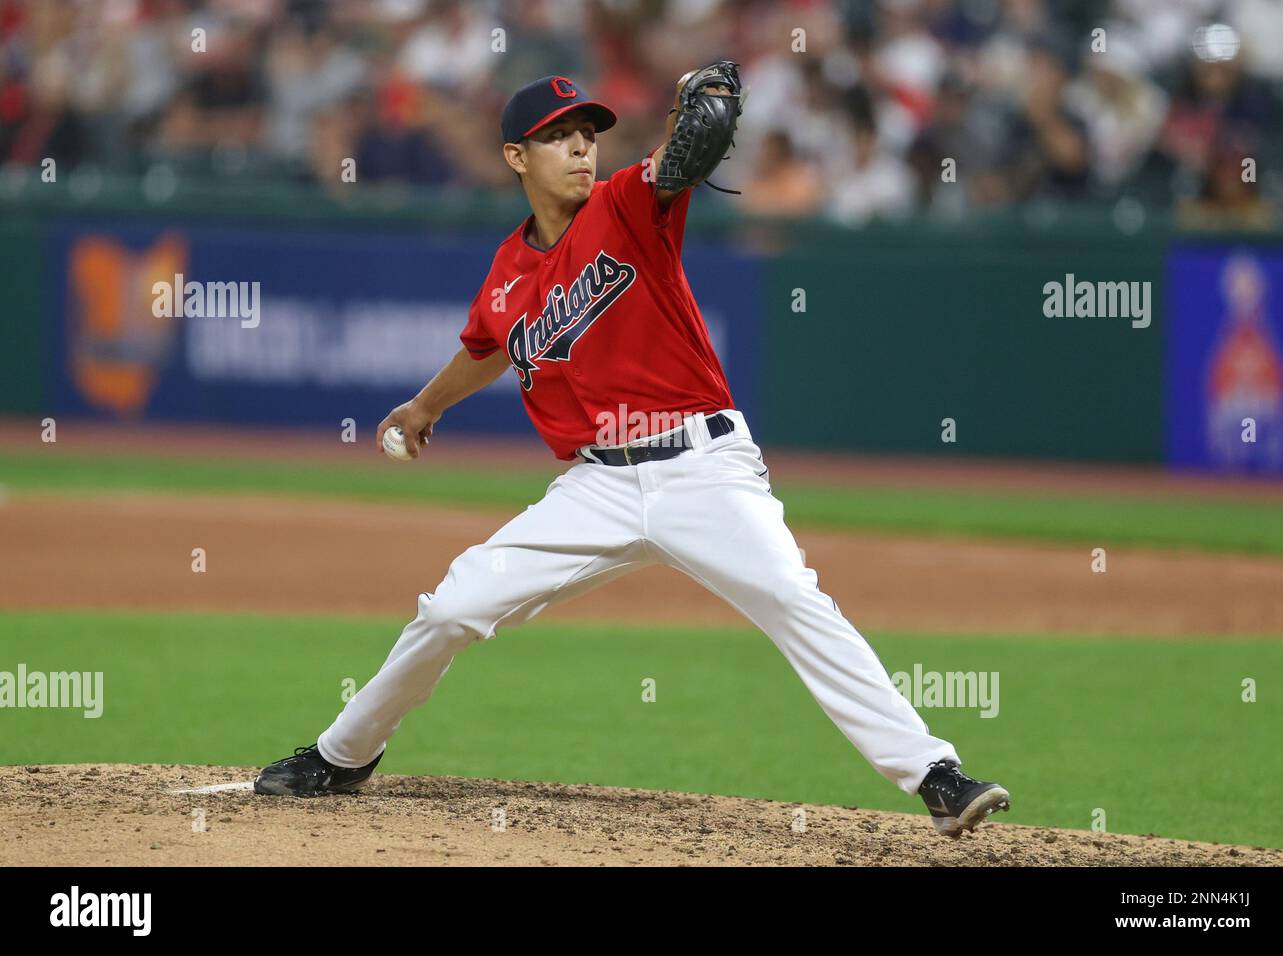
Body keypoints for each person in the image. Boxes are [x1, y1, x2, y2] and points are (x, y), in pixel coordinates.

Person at [253, 70, 1011, 838]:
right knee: (452, 607)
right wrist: (425, 405)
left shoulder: (626, 203)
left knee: (790, 596)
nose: (581, 147)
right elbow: (489, 345)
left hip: (703, 470)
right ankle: (344, 754)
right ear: (516, 157)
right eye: (559, 136)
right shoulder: (509, 271)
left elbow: (680, 159)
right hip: (596, 486)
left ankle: (935, 774)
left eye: (589, 134)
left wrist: (699, 121)